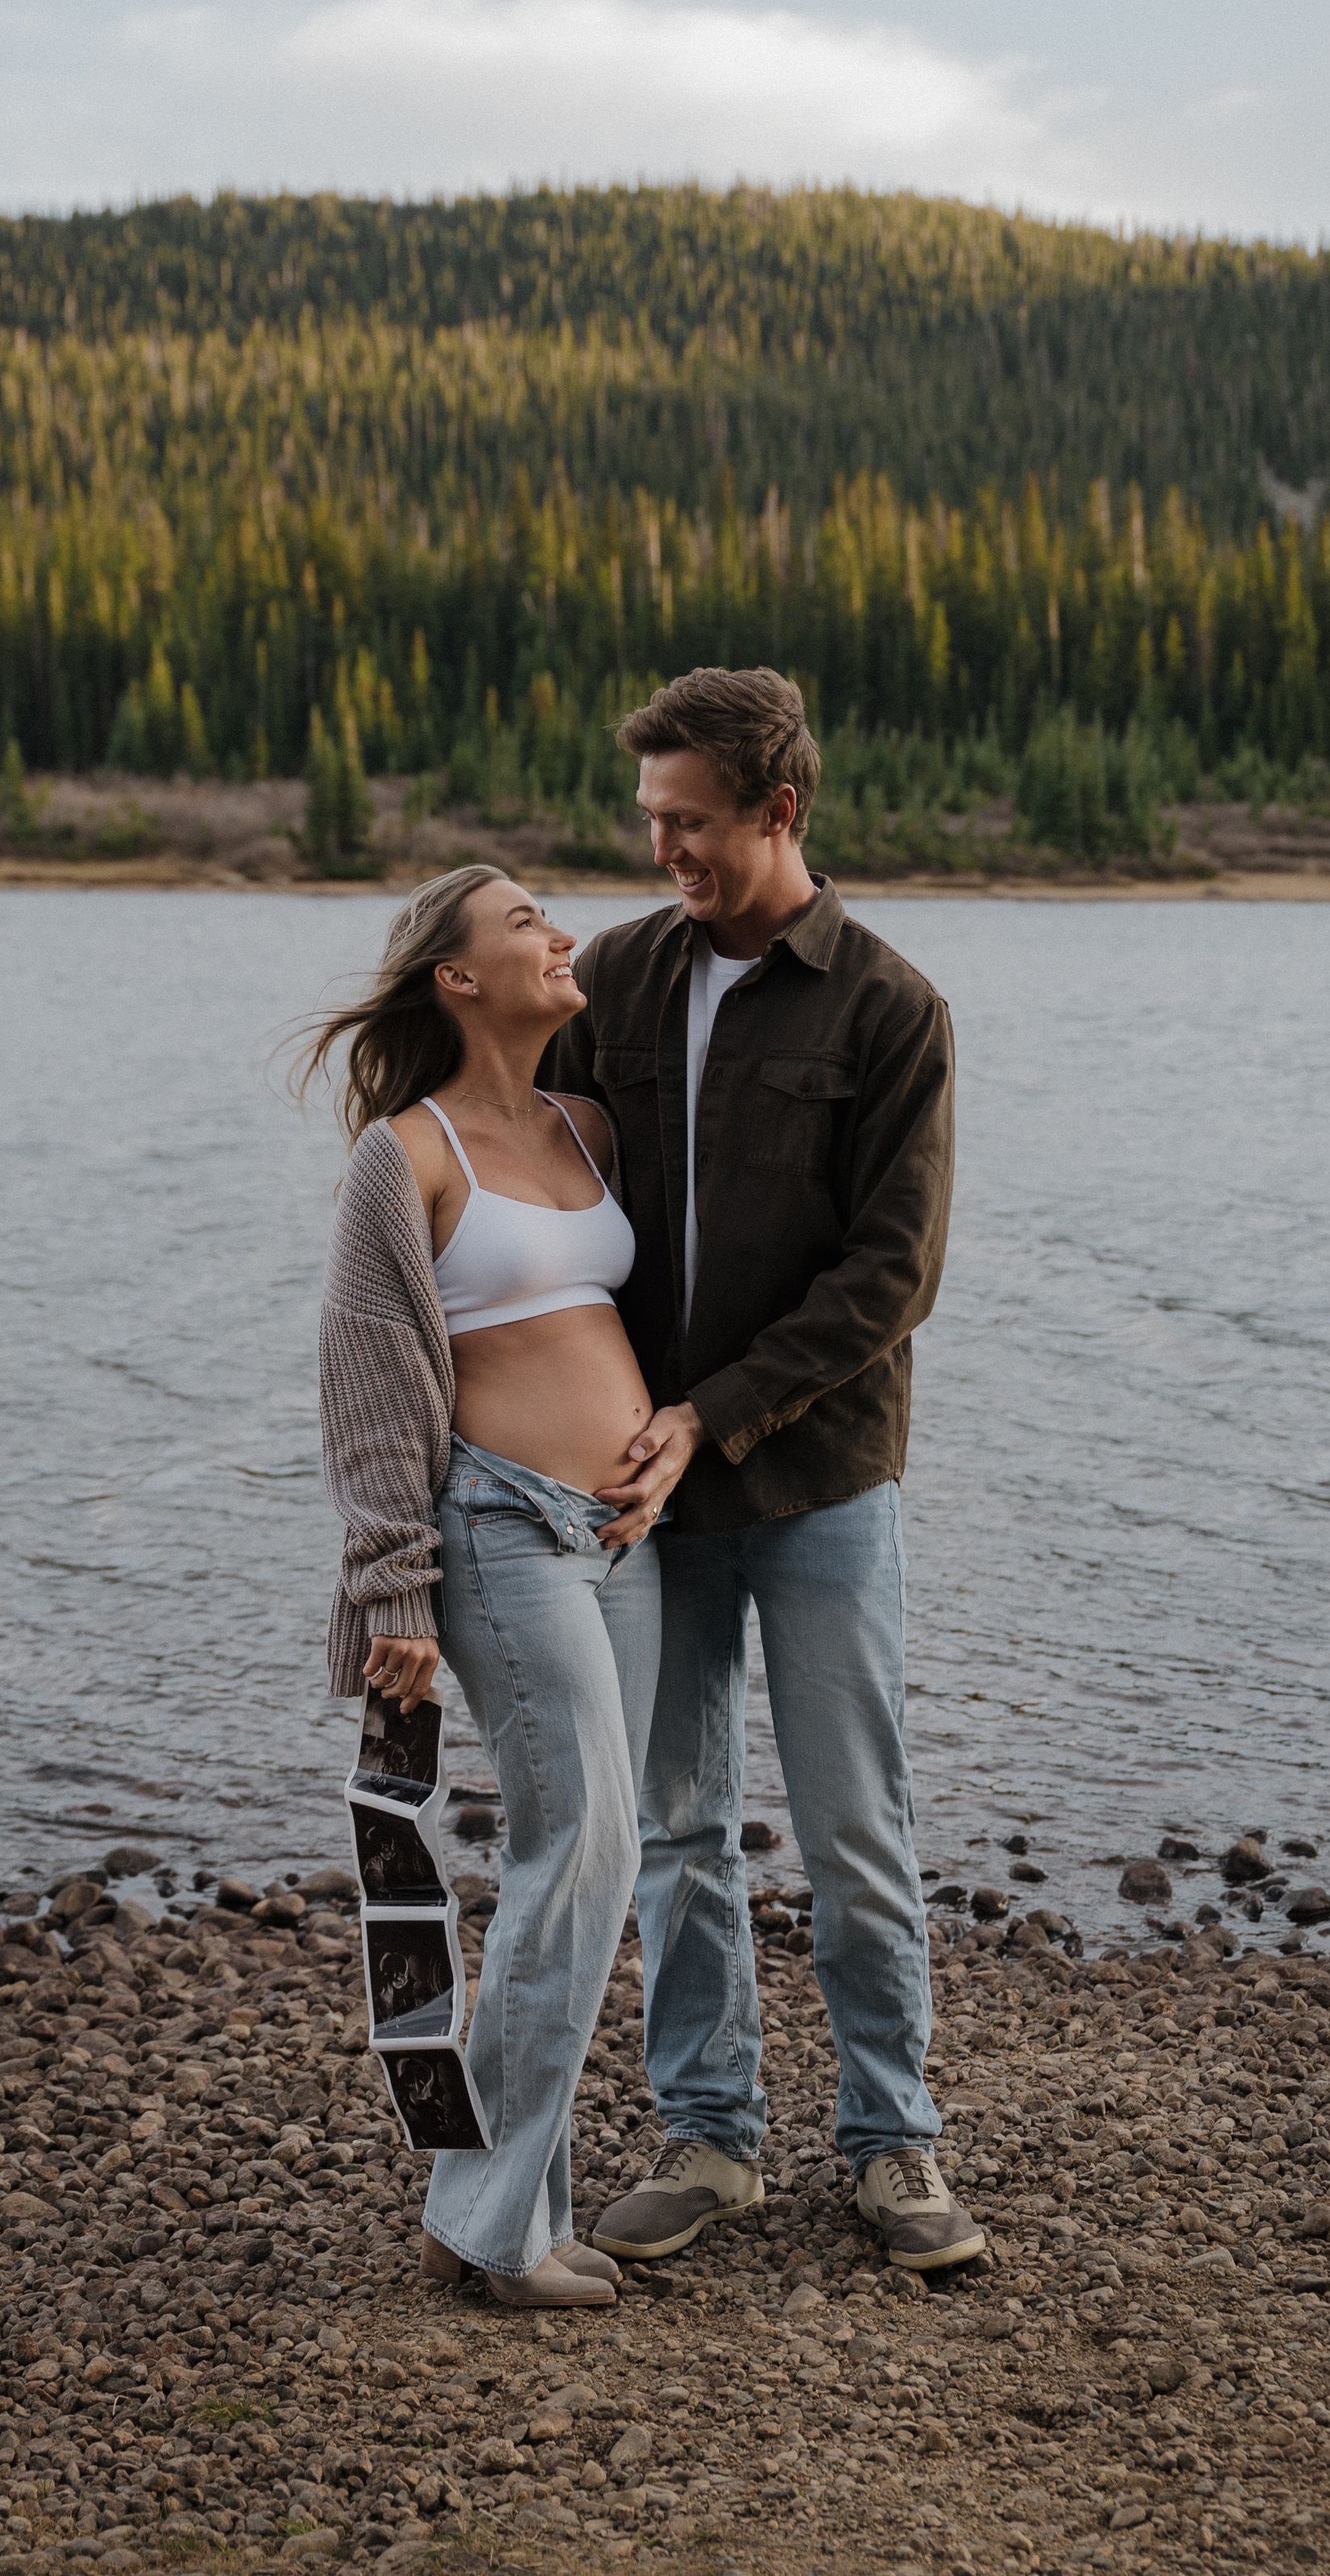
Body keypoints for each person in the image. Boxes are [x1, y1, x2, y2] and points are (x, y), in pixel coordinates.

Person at [543, 666, 986, 2274]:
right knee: (670, 1826)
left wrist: (712, 1411)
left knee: (853, 1825)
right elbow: (529, 1181)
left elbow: (891, 1277)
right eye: (648, 820)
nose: (662, 848)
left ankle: (892, 2147)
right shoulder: (609, 981)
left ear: (777, 811)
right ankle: (707, 2134)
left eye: (691, 823)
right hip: (634, 1491)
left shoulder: (889, 1010)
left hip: (814, 1491)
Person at [306, 863, 678, 2308]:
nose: (558, 933)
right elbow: (371, 1379)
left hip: (621, 1538)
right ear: (456, 976)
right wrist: (391, 1590)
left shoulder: (586, 1126)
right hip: (500, 1529)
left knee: (596, 1856)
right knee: (574, 1849)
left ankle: (522, 2204)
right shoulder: (409, 1155)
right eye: (525, 921)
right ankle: (479, 2224)